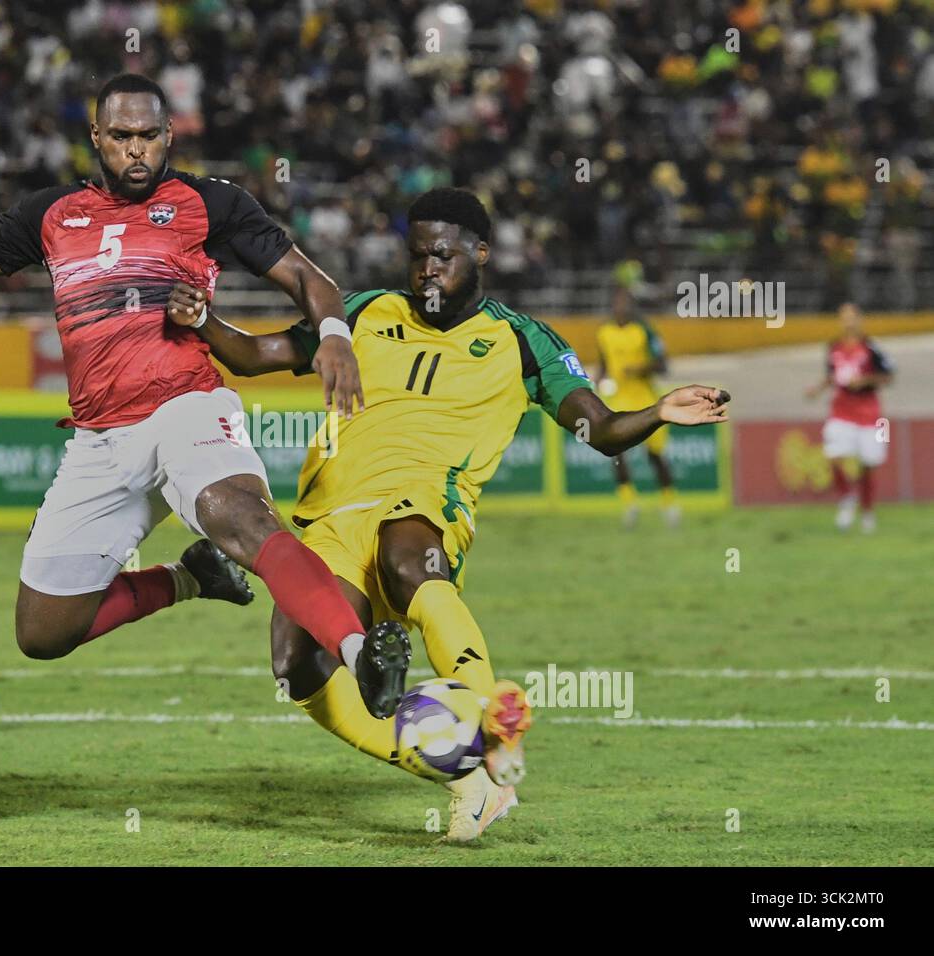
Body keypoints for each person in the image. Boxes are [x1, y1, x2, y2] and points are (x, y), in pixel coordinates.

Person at [0, 73, 407, 717]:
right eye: (121, 136)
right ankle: (192, 578)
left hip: (187, 406)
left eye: (149, 136)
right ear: (95, 136)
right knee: (43, 631)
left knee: (235, 514)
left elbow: (307, 276)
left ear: (170, 134)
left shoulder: (214, 203)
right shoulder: (52, 215)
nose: (136, 149)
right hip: (100, 438)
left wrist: (334, 334)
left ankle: (360, 654)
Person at [166, 188, 731, 840]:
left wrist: (659, 411)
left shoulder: (520, 340)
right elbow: (255, 355)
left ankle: (488, 712)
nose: (427, 268)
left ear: (481, 253)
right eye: (417, 256)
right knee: (296, 661)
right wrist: (204, 319)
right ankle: (471, 775)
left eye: (442, 255)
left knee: (407, 563)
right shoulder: (363, 312)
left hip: (426, 500)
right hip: (331, 514)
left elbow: (597, 427)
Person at [594, 286, 680, 528]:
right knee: (616, 452)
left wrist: (640, 368)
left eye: (626, 302)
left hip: (646, 400)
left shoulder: (645, 330)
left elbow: (663, 364)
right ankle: (630, 504)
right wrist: (597, 379)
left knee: (655, 456)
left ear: (632, 305)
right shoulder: (604, 332)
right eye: (617, 303)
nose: (621, 307)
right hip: (619, 401)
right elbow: (603, 364)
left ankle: (669, 503)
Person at [805, 302, 893, 533]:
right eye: (843, 317)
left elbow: (888, 376)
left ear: (859, 319)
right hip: (841, 410)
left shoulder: (871, 347)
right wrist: (818, 388)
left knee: (868, 465)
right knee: (833, 456)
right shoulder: (834, 347)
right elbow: (832, 376)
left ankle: (867, 512)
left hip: (869, 414)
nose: (848, 321)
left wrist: (863, 382)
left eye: (852, 317)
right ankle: (846, 497)